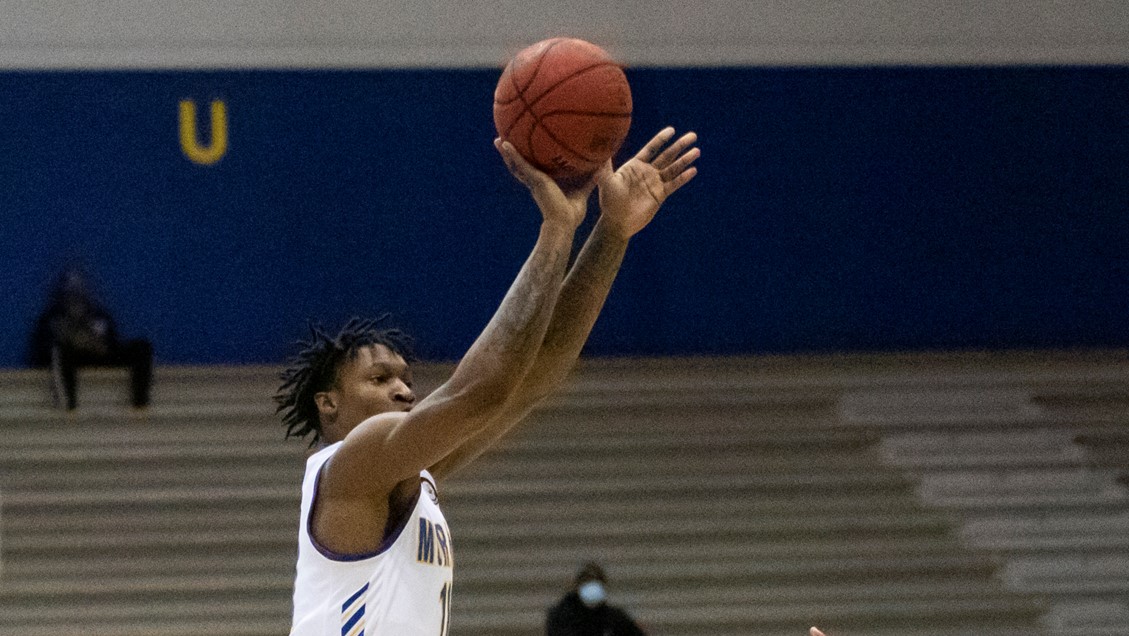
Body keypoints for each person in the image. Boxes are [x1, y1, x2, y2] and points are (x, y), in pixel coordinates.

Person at [273, 127, 700, 636]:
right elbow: (481, 391)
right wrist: (555, 232)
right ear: (328, 403)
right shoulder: (353, 464)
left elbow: (537, 372)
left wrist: (612, 232)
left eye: (406, 378)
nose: (404, 390)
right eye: (379, 378)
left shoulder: (407, 474)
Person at [27, 265, 153, 411]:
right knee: (59, 352)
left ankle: (140, 404)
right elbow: (43, 350)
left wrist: (97, 344)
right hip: (74, 359)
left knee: (142, 347)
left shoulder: (99, 316)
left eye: (78, 290)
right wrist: (74, 341)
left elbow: (112, 340)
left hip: (100, 355)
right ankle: (67, 406)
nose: (75, 296)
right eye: (70, 292)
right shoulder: (51, 320)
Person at [545, 562, 647, 636]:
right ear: (577, 586)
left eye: (597, 582)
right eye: (587, 581)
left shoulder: (614, 619)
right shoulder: (562, 617)